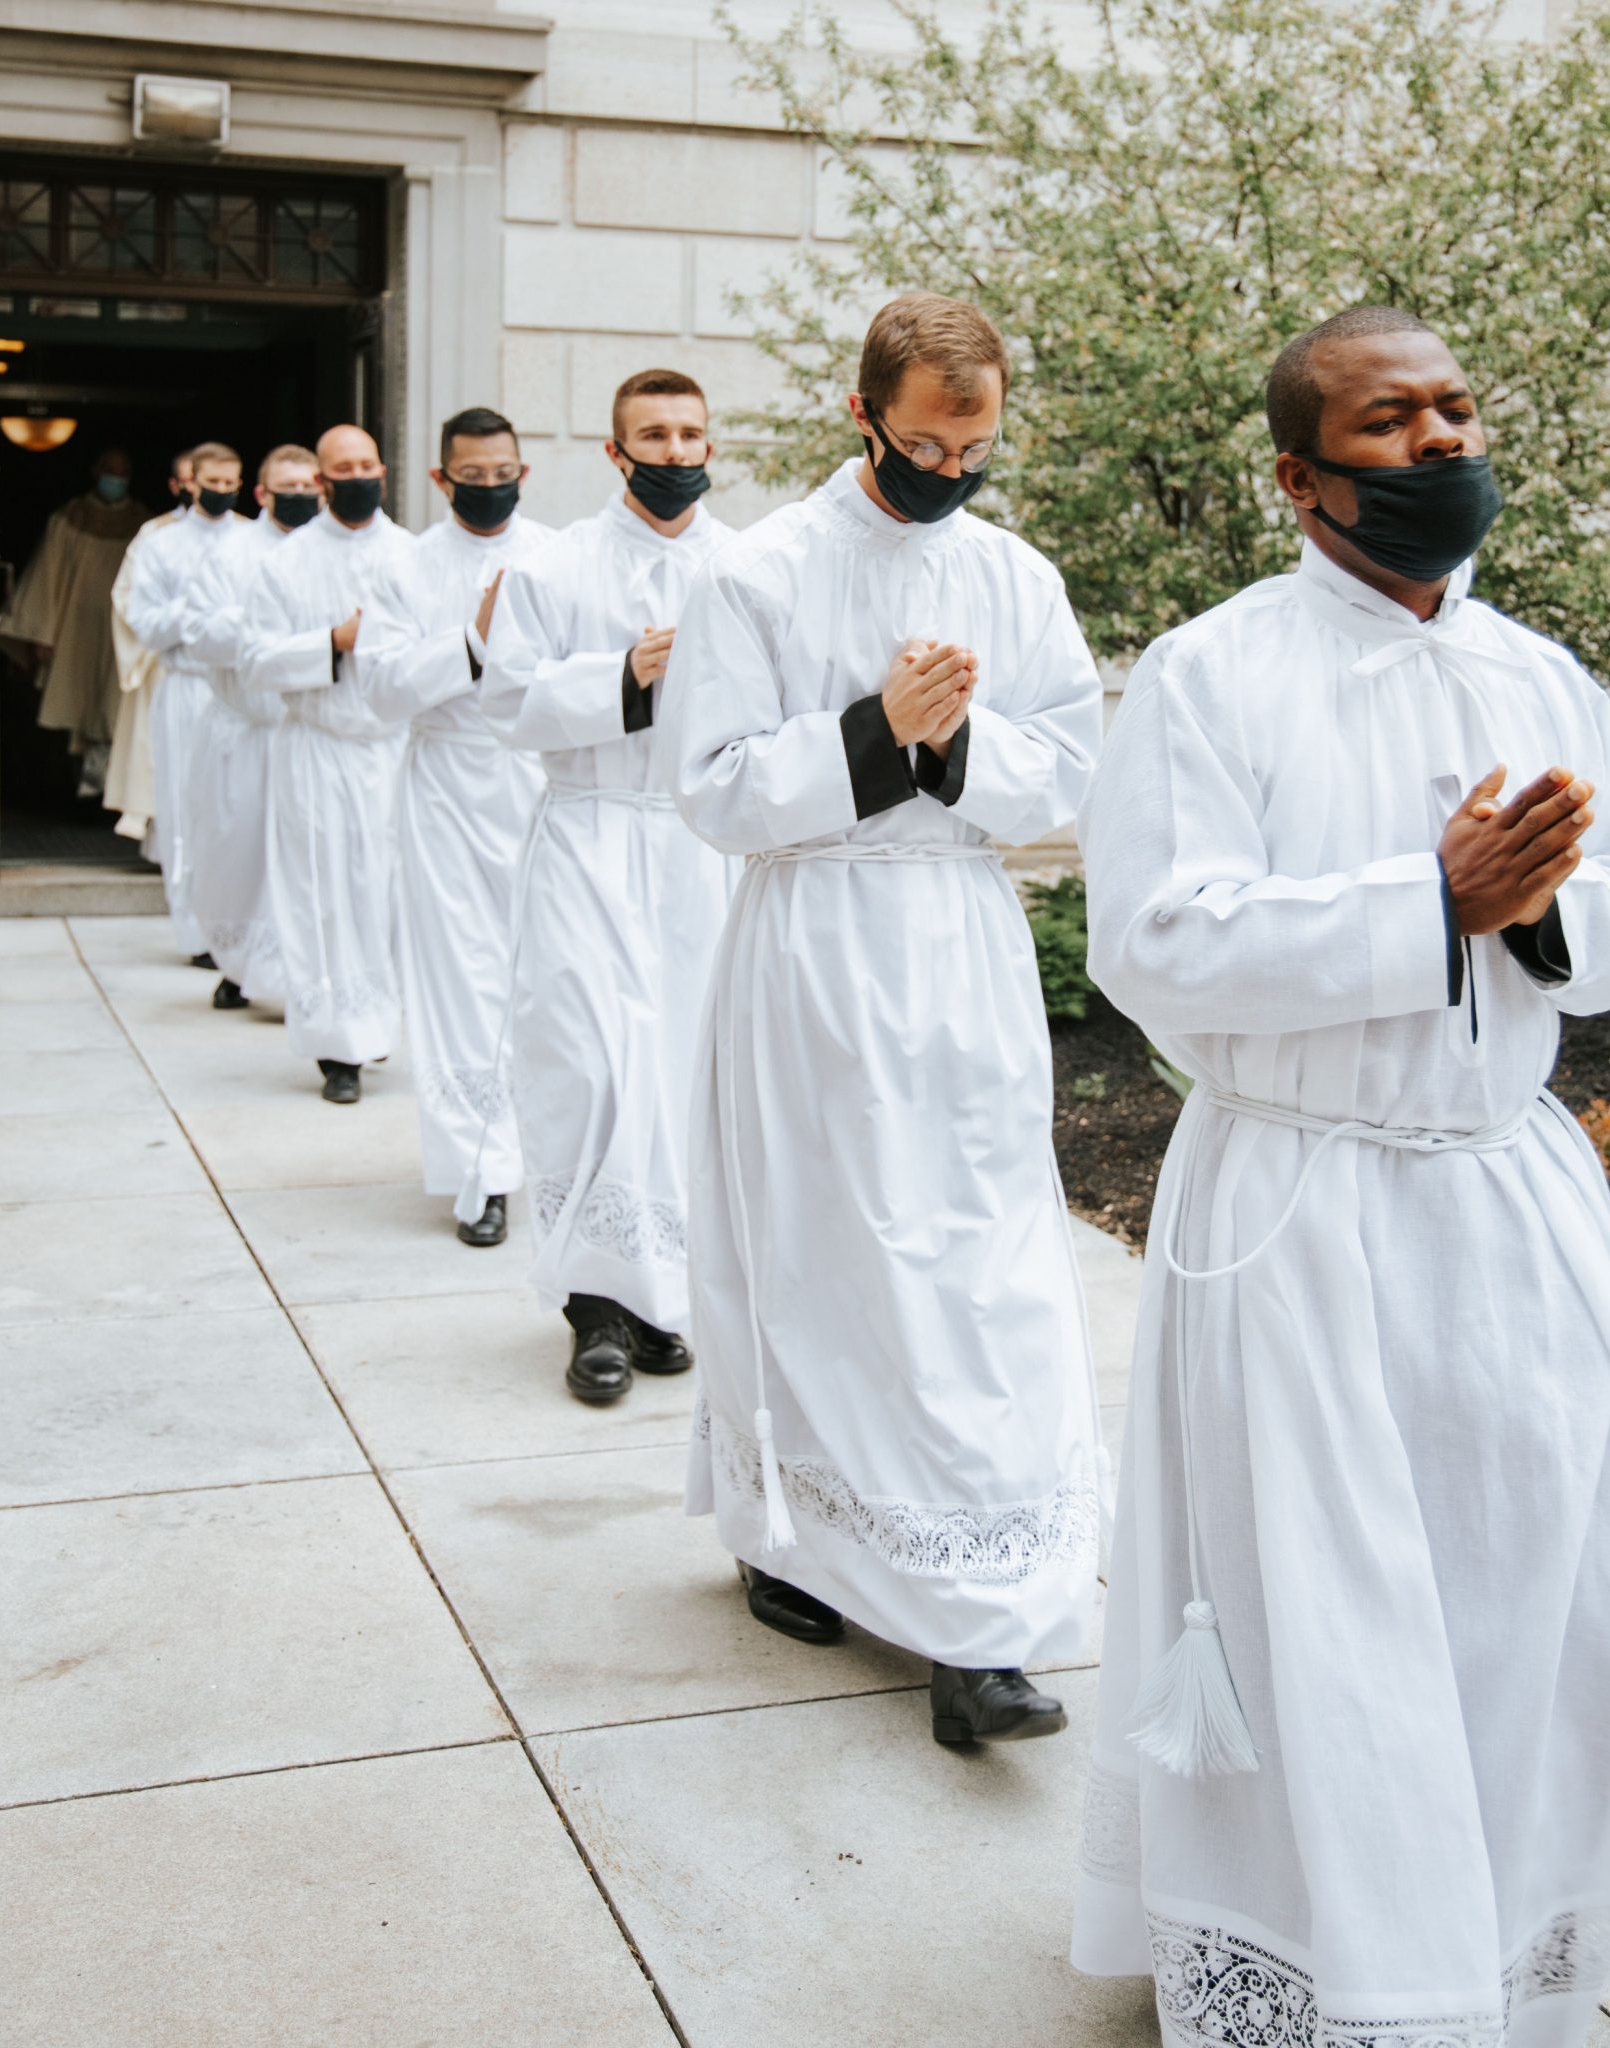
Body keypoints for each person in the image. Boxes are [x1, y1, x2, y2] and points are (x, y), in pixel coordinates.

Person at [1070, 307, 1610, 2046]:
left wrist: (1545, 903)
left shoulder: (1539, 674)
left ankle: (1482, 1935)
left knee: (1535, 1589)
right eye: (1389, 418)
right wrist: (1427, 902)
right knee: (1319, 1616)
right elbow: (1152, 940)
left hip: (1504, 1194)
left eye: (1454, 409)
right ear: (1296, 474)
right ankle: (1330, 1964)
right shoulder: (1210, 672)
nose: (1436, 441)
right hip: (1303, 1204)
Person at [664, 294, 1106, 1748]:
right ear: (863, 415)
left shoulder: (1015, 577)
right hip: (815, 940)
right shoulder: (760, 574)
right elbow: (716, 788)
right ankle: (787, 1530)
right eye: (923, 439)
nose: (952, 467)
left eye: (974, 443)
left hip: (959, 940)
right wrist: (873, 732)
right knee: (825, 1253)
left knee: (974, 1264)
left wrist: (959, 741)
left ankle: (975, 1604)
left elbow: (1070, 768)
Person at [482, 371, 736, 1389]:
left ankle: (658, 1291)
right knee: (588, 1063)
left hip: (695, 850)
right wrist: (624, 676)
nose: (675, 452)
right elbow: (507, 703)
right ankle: (593, 1306)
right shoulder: (558, 566)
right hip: (589, 832)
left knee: (678, 1068)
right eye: (653, 435)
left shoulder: (748, 564)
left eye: (689, 433)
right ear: (614, 450)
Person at [354, 407, 551, 1245]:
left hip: (541, 779)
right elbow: (380, 687)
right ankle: (481, 1171)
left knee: (544, 976)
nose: (489, 488)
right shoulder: (406, 567)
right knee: (459, 979)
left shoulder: (556, 555)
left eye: (501, 473)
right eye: (471, 477)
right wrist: (472, 638)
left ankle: (551, 1148)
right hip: (444, 787)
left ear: (523, 472)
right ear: (441, 480)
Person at [238, 424, 413, 1103]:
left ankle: (388, 1021)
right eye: (346, 467)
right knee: (325, 896)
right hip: (317, 750)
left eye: (369, 465)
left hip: (394, 749)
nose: (360, 476)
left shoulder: (410, 553)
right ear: (321, 480)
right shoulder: (286, 562)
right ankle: (337, 1049)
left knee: (390, 895)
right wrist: (333, 641)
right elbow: (253, 661)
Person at [181, 444, 323, 1010]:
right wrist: (271, 625)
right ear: (262, 494)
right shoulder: (230, 553)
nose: (301, 498)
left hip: (310, 732)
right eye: (287, 489)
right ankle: (237, 963)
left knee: (302, 863)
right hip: (244, 728)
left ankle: (292, 977)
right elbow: (199, 633)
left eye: (310, 488)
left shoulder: (329, 551)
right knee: (235, 853)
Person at [123, 442, 252, 964]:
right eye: (211, 483)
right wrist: (200, 611)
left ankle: (237, 930)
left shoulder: (251, 541)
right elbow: (144, 621)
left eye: (230, 483)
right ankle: (195, 934)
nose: (221, 492)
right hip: (184, 686)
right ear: (190, 483)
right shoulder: (161, 544)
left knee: (234, 807)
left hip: (239, 689)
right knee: (182, 807)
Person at [0, 447, 148, 786]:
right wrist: (42, 633)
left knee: (114, 706)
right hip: (73, 631)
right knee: (74, 702)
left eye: (123, 472)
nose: (116, 479)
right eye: (110, 470)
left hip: (121, 632)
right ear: (95, 471)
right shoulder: (69, 518)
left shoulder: (143, 523)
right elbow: (47, 576)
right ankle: (68, 788)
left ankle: (107, 790)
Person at [107, 451, 195, 843]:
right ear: (175, 486)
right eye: (190, 480)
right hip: (166, 662)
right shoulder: (155, 534)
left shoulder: (244, 534)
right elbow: (127, 595)